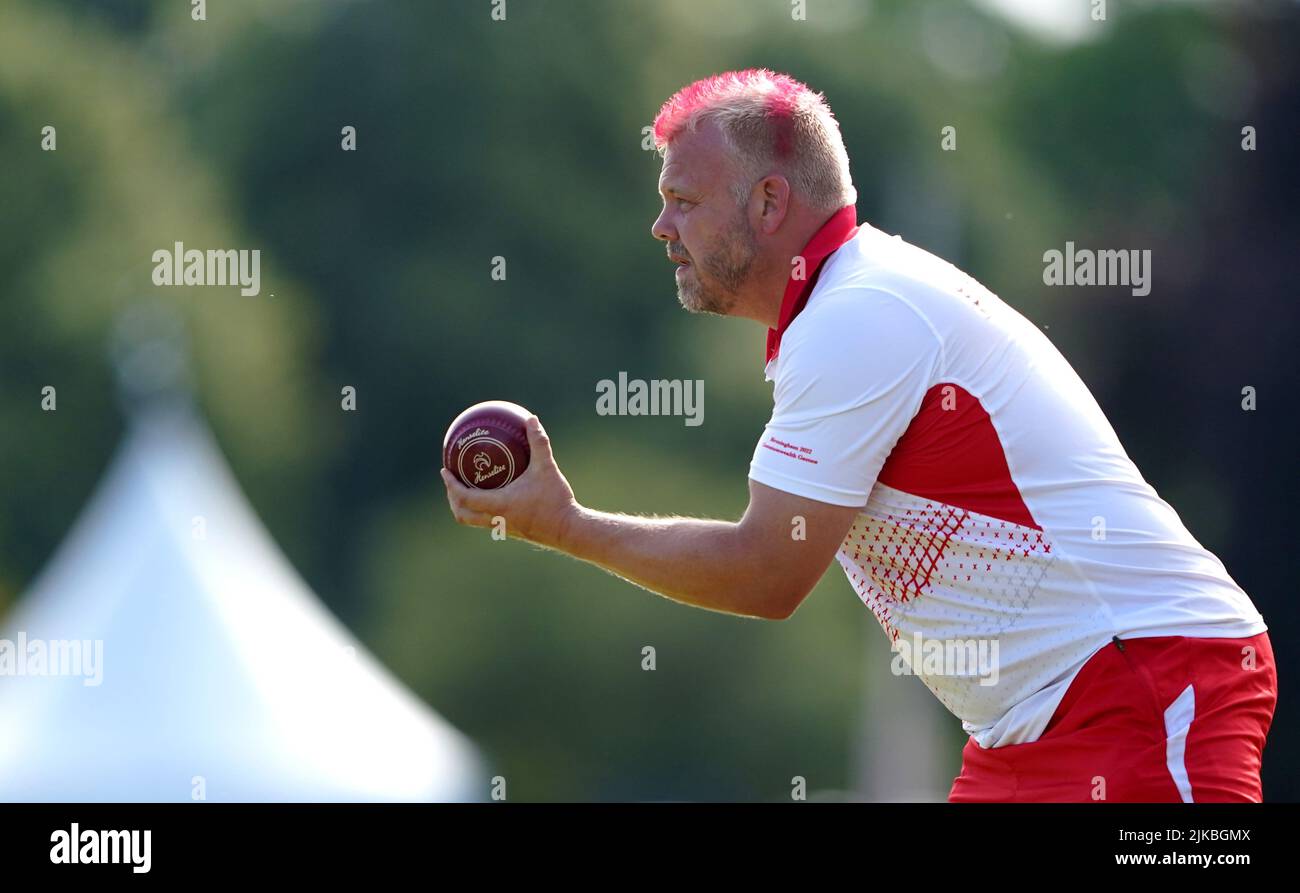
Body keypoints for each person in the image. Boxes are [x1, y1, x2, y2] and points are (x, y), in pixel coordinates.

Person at [440, 69, 1275, 802]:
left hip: (1141, 683)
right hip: (1048, 719)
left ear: (769, 201)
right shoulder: (844, 306)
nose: (662, 226)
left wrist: (567, 525)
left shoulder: (857, 315)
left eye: (684, 200)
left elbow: (766, 573)